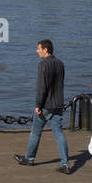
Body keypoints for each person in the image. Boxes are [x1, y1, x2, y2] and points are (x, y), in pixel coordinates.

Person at [14, 39, 69, 172]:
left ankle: (29, 158)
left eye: (39, 48)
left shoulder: (42, 65)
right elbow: (59, 85)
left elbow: (41, 87)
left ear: (46, 50)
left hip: (46, 105)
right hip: (58, 104)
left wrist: (38, 105)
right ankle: (65, 164)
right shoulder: (60, 64)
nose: (37, 51)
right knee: (59, 133)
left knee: (35, 132)